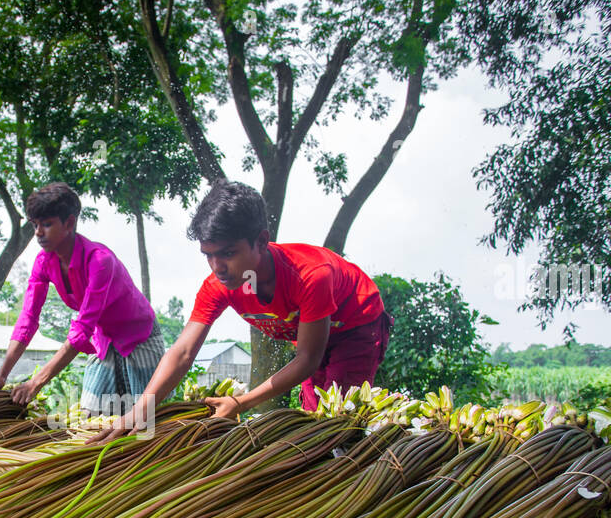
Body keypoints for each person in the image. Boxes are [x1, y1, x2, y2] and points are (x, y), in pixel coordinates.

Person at [90, 180, 391, 442]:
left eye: (228, 254)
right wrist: (140, 410)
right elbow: (182, 352)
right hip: (310, 334)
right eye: (208, 255)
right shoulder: (218, 285)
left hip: (355, 327)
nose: (218, 267)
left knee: (338, 419)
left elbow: (307, 360)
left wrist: (242, 402)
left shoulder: (311, 275)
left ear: (261, 241)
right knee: (313, 418)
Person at [0, 182, 165, 416]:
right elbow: (28, 319)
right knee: (91, 415)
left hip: (139, 337)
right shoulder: (43, 262)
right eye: (35, 224)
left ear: (69, 223)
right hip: (105, 339)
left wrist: (36, 382)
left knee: (143, 419)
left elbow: (81, 331)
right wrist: (0, 377)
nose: (38, 232)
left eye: (47, 224)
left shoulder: (100, 261)